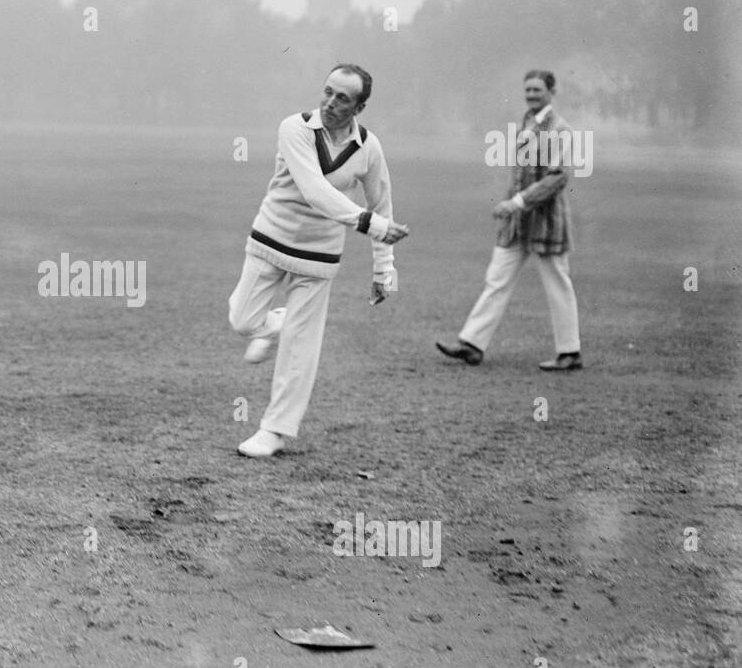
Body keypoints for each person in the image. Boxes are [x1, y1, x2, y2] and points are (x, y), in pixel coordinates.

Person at [228, 63, 409, 458]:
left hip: (319, 256)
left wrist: (384, 269)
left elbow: (383, 202)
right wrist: (369, 224)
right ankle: (273, 322)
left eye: (342, 98)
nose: (329, 102)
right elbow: (314, 190)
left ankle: (274, 431)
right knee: (241, 320)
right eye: (327, 91)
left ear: (359, 107)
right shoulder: (294, 128)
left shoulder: (369, 148)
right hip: (270, 239)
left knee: (301, 345)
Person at [436, 69, 582, 371]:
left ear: (551, 92)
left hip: (547, 222)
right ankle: (472, 344)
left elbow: (558, 178)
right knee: (496, 279)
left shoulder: (561, 130)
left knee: (558, 284)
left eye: (537, 90)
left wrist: (516, 202)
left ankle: (570, 352)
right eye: (528, 89)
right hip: (517, 223)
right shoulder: (526, 123)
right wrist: (512, 205)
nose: (531, 95)